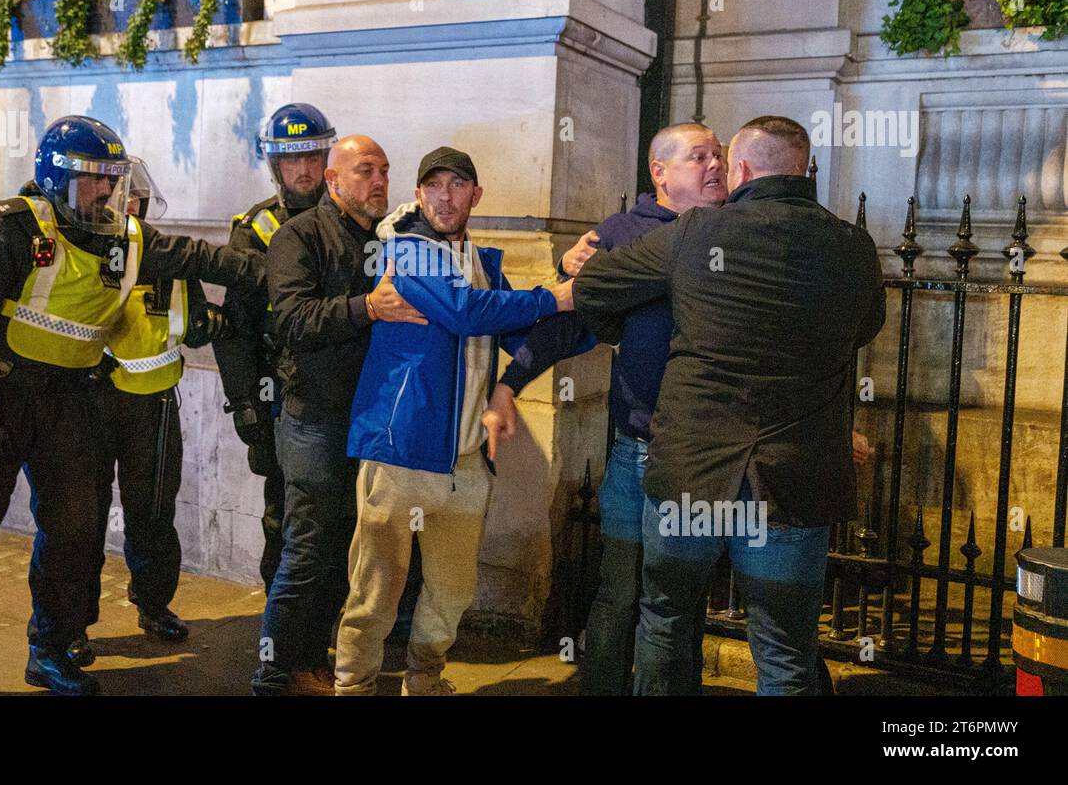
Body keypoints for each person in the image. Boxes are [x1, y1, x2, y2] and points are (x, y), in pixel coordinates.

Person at [0, 116, 265, 696]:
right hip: (0, 398)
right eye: (95, 180)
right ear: (57, 178)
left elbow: (201, 259)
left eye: (114, 181)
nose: (108, 193)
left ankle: (50, 650)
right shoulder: (10, 227)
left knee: (72, 537)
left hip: (71, 402)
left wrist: (281, 272)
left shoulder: (128, 239)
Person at [574, 115, 886, 695]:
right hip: (792, 477)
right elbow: (864, 326)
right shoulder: (851, 245)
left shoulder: (695, 234)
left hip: (692, 469)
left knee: (664, 623)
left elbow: (593, 287)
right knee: (786, 652)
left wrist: (627, 328)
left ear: (741, 168)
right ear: (806, 167)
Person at [488, 122, 728, 694]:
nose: (716, 163)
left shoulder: (735, 229)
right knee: (621, 589)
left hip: (706, 454)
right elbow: (569, 323)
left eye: (719, 154)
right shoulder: (621, 235)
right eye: (700, 156)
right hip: (637, 452)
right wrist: (508, 384)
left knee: (679, 601)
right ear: (660, 172)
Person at [333, 147, 574, 696]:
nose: (445, 196)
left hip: (466, 462)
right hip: (399, 450)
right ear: (418, 194)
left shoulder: (484, 265)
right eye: (434, 185)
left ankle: (424, 680)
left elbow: (529, 333)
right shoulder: (407, 251)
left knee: (452, 593)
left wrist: (585, 286)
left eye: (458, 185)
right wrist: (553, 298)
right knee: (375, 592)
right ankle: (353, 686)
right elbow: (466, 313)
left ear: (476, 195)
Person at [252, 134, 424, 696]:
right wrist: (368, 307)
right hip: (315, 421)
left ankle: (310, 661)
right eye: (365, 171)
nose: (379, 181)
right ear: (333, 180)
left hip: (369, 420)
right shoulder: (298, 236)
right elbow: (294, 320)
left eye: (385, 170)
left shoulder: (389, 237)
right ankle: (273, 674)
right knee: (308, 550)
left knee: (345, 549)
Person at [75, 157, 230, 663]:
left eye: (135, 195)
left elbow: (193, 321)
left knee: (154, 514)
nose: (129, 203)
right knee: (81, 517)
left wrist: (213, 321)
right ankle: (69, 622)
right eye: (119, 193)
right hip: (91, 402)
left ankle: (154, 603)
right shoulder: (83, 248)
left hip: (156, 404)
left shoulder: (164, 254)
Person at [214, 103, 333, 593]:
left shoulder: (352, 218)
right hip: (277, 394)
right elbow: (234, 326)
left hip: (339, 391)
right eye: (291, 160)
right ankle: (278, 625)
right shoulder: (256, 228)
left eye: (312, 157)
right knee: (281, 514)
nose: (304, 170)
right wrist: (244, 401)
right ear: (275, 166)